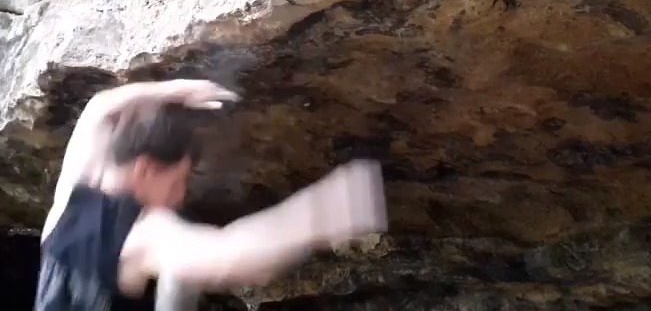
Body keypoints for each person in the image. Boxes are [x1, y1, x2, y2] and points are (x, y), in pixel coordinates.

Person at [34, 78, 387, 310]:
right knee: (180, 264)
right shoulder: (140, 238)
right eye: (176, 181)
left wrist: (174, 91)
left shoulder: (72, 195)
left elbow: (98, 107)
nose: (180, 195)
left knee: (178, 270)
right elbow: (228, 256)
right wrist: (322, 212)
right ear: (144, 169)